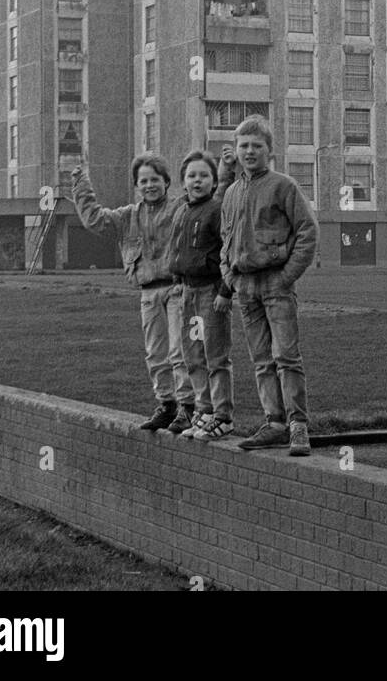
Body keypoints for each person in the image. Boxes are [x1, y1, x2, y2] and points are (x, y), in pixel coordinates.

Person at [71, 154, 195, 433]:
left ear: (166, 181)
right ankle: (166, 404)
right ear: (136, 185)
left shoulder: (180, 208)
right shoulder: (127, 216)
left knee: (179, 350)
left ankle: (188, 406)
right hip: (148, 294)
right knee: (155, 353)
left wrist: (225, 172)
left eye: (155, 179)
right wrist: (81, 185)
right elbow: (95, 220)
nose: (149, 185)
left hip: (177, 290)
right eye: (143, 181)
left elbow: (210, 201)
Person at [218, 114, 319, 455]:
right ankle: (273, 422)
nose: (249, 152)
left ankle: (297, 427)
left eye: (256, 146)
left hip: (276, 285)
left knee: (286, 356)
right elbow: (225, 240)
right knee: (262, 361)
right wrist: (229, 277)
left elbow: (308, 232)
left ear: (269, 151)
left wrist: (287, 276)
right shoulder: (231, 192)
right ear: (235, 149)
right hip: (246, 289)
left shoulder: (283, 186)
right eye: (243, 146)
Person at [167, 148, 237, 440]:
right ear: (183, 181)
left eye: (203, 175)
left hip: (211, 294)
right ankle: (203, 410)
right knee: (194, 354)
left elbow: (229, 250)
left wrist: (225, 290)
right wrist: (178, 279)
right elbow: (179, 249)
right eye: (191, 175)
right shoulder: (183, 211)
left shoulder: (216, 209)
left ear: (213, 180)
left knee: (216, 355)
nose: (197, 181)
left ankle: (223, 416)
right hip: (189, 294)